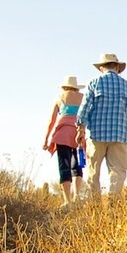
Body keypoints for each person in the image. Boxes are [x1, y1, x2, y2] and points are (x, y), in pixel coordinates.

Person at [78, 53, 127, 199]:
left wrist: (80, 129)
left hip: (96, 134)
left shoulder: (94, 83)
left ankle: (95, 205)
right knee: (118, 171)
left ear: (101, 68)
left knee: (93, 172)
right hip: (120, 134)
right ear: (117, 67)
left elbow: (85, 108)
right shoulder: (126, 85)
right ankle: (113, 203)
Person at [41, 76, 88, 204]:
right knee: (77, 164)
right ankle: (77, 196)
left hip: (62, 134)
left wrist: (46, 139)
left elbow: (51, 121)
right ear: (76, 87)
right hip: (78, 132)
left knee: (64, 165)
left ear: (64, 87)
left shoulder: (59, 97)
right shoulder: (82, 98)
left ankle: (67, 200)